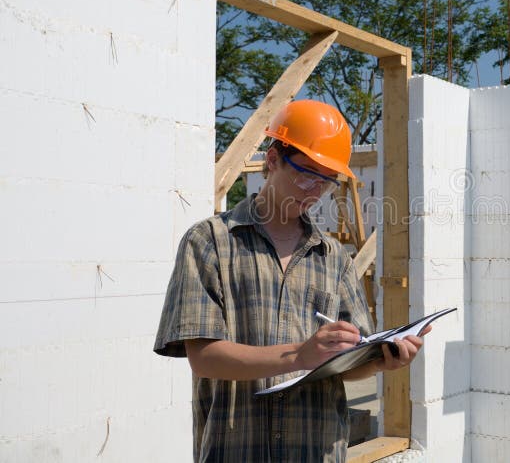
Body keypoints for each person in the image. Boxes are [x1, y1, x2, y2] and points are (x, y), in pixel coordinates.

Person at [154, 99, 428, 462]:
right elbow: (204, 358)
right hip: (236, 450)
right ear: (272, 160)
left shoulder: (333, 258)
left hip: (316, 450)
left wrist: (381, 359)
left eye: (326, 181)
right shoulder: (210, 242)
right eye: (306, 175)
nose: (314, 191)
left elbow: (349, 360)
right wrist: (300, 354)